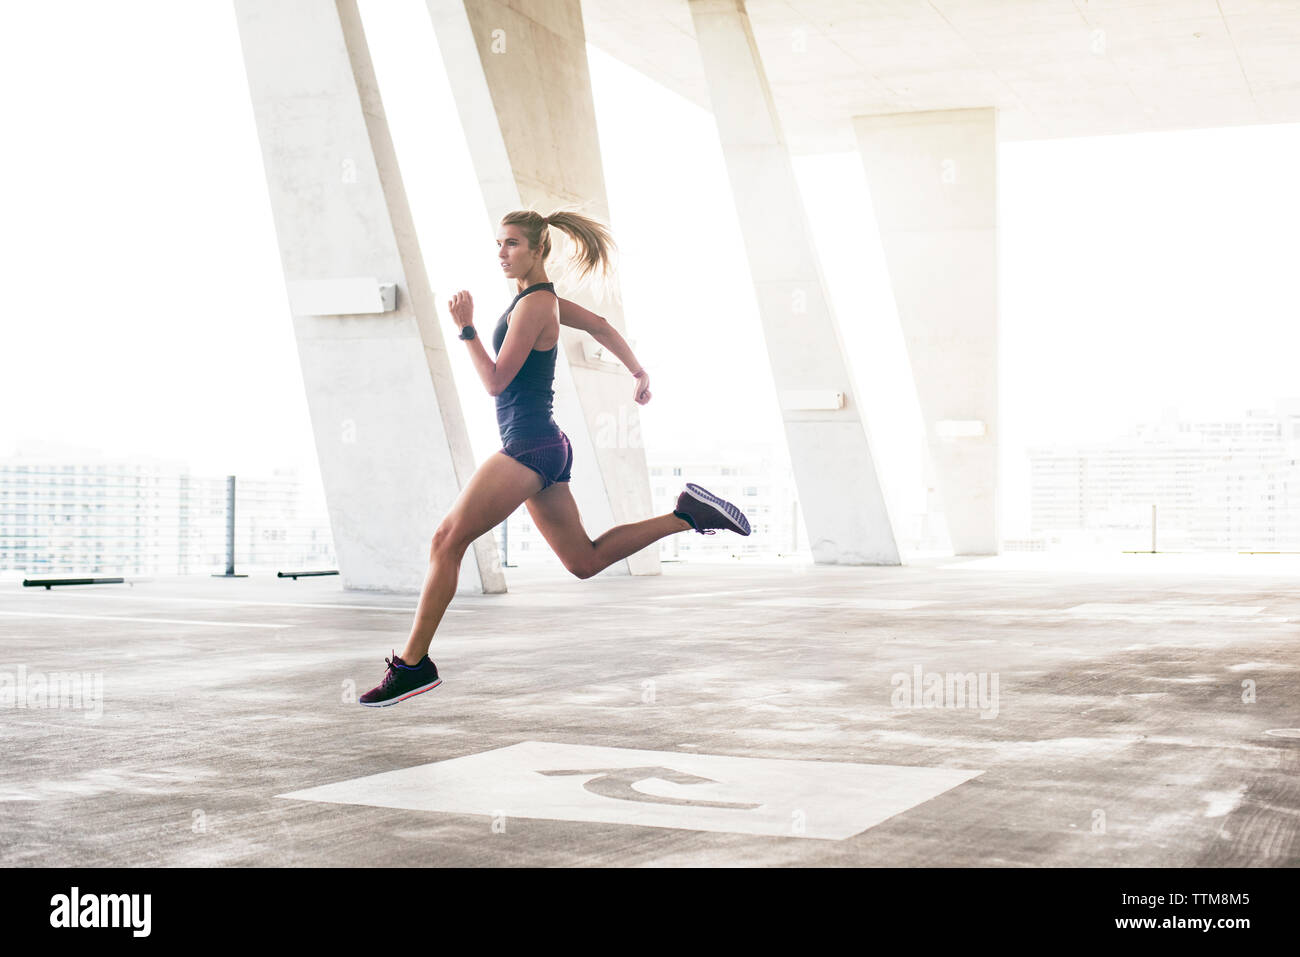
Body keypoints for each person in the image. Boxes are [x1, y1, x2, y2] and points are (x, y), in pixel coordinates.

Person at [359, 209, 751, 707]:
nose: (502, 253)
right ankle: (687, 515)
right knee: (584, 561)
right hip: (545, 446)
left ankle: (412, 666)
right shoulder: (543, 302)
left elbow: (496, 382)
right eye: (499, 245)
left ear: (539, 249)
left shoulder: (534, 305)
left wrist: (466, 330)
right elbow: (602, 325)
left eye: (513, 244)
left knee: (445, 540)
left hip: (528, 444)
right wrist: (638, 372)